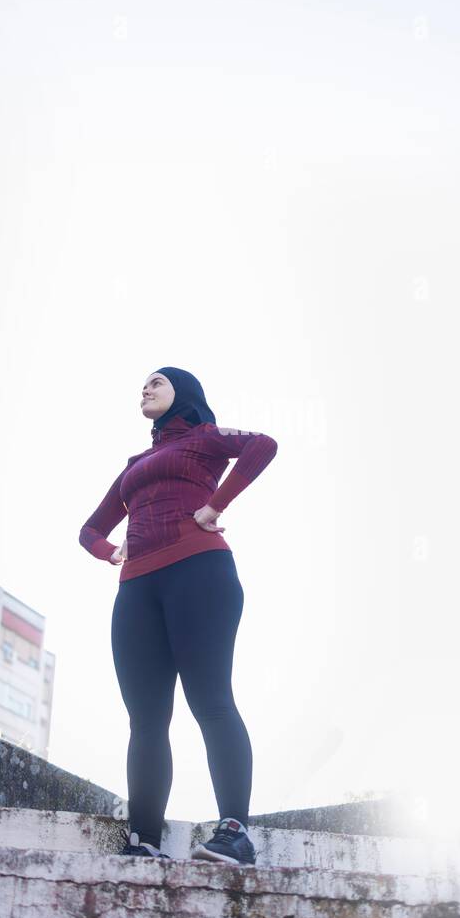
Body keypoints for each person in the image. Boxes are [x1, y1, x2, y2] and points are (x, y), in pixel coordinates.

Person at [79, 367, 278, 865]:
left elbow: (263, 445)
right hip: (137, 587)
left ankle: (234, 833)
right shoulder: (135, 463)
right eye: (143, 385)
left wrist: (215, 506)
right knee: (145, 718)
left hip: (199, 570)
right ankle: (143, 839)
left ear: (182, 394)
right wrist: (110, 552)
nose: (144, 389)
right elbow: (90, 529)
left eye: (157, 383)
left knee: (210, 700)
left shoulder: (205, 438)